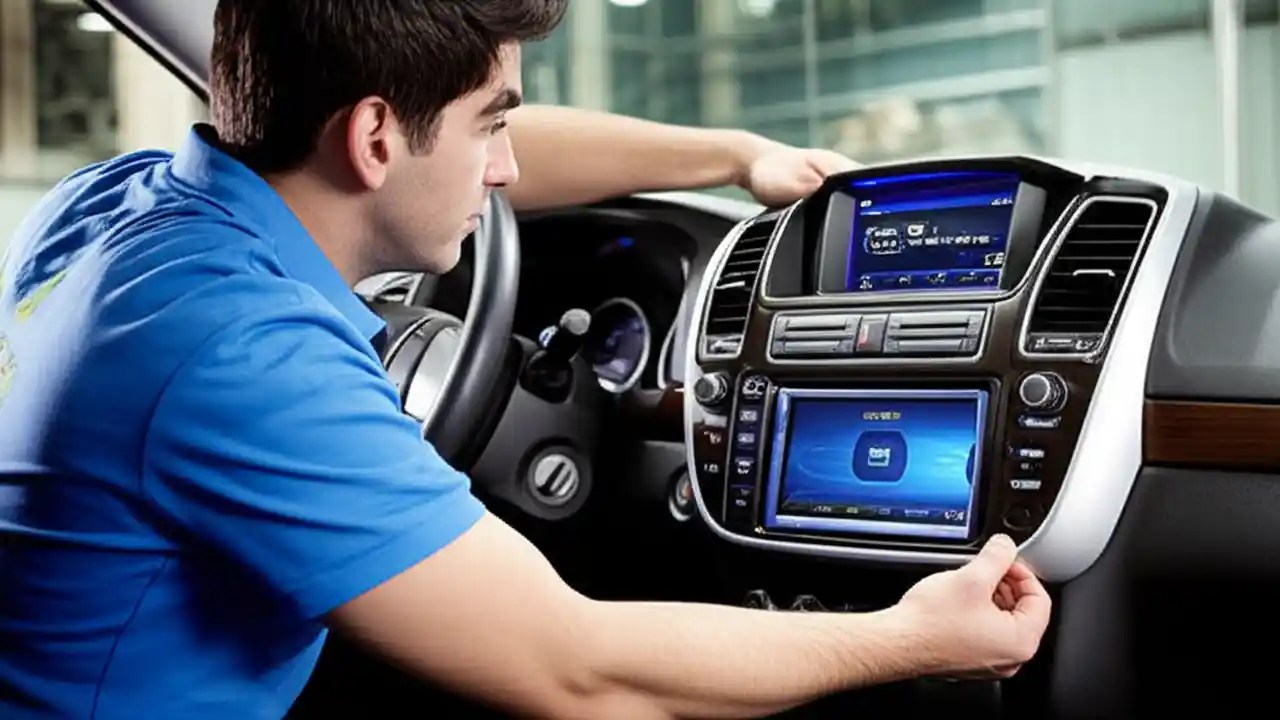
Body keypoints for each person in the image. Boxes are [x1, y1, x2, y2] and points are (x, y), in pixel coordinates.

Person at [0, 1, 1051, 718]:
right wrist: (910, 639)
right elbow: (577, 674)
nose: (503, 169)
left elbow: (459, 141)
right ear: (370, 136)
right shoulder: (244, 354)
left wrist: (733, 156)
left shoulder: (116, 204)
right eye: (487, 126)